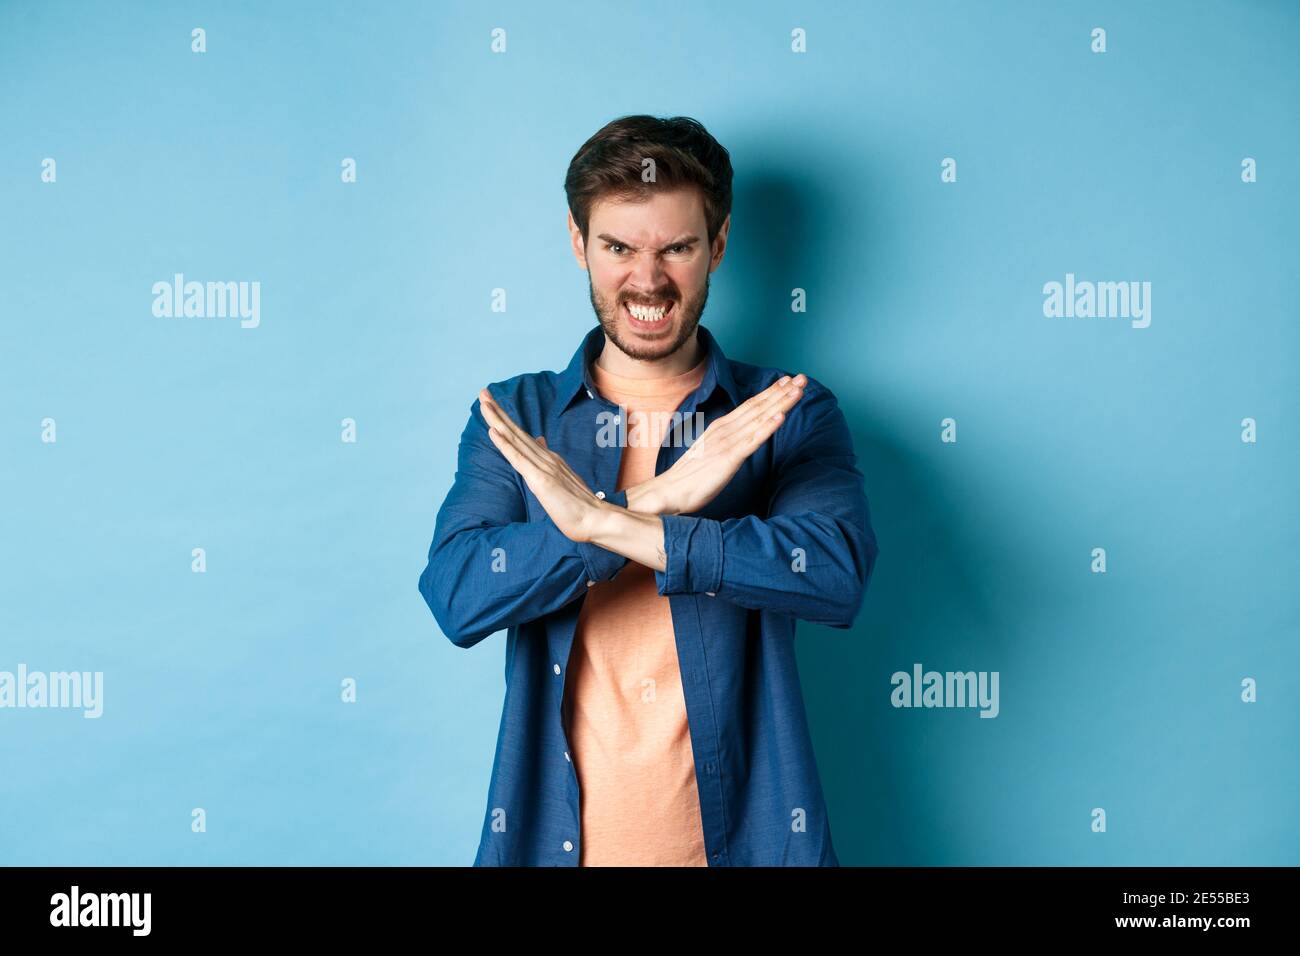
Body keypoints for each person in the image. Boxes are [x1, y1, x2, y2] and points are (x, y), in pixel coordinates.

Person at [418, 114, 880, 866]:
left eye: (676, 248)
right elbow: (457, 595)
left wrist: (610, 525)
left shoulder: (785, 413)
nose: (648, 280)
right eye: (619, 248)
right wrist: (656, 500)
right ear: (578, 243)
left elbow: (836, 575)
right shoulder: (516, 419)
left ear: (719, 245)